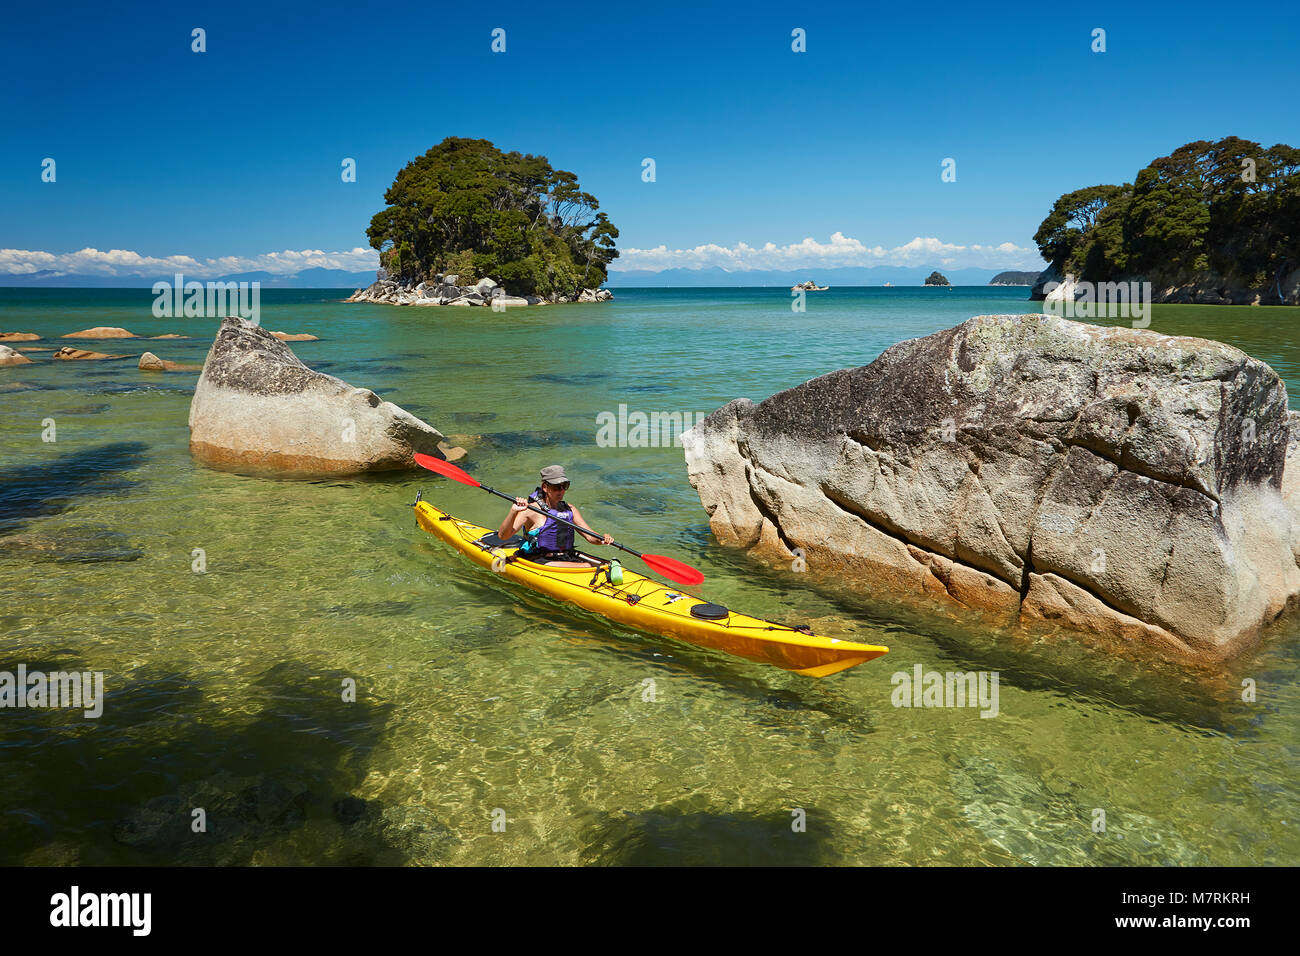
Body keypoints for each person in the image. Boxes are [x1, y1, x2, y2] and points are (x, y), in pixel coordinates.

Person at [497, 465, 612, 567]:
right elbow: (503, 536)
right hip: (537, 559)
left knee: (605, 564)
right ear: (545, 487)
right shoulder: (531, 510)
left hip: (564, 557)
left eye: (565, 486)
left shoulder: (570, 509)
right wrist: (513, 512)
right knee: (586, 566)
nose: (561, 491)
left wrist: (602, 539)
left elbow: (590, 537)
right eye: (557, 487)